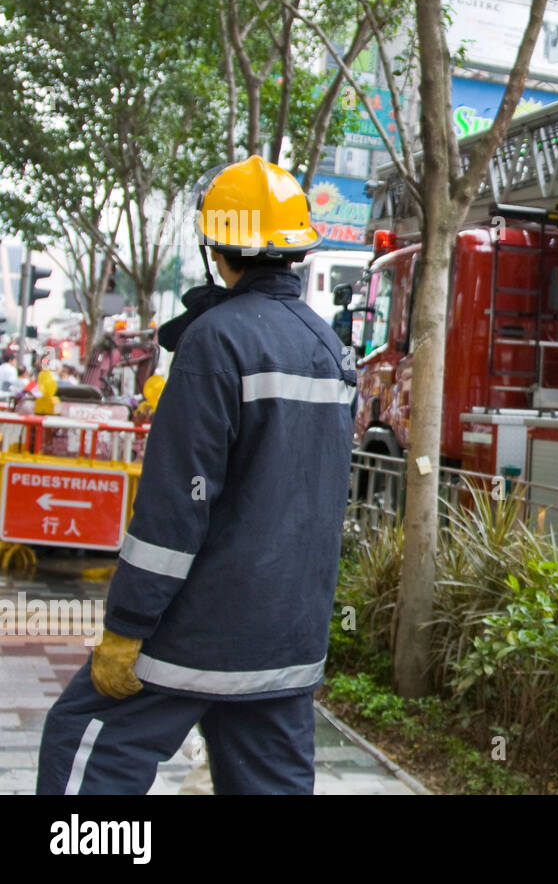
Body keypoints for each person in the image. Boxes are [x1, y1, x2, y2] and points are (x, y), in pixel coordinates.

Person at [37, 154, 356, 794]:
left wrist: (126, 628)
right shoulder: (331, 347)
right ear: (295, 248)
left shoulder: (214, 341)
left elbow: (175, 508)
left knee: (83, 742)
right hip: (289, 638)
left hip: (196, 630)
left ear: (217, 247)